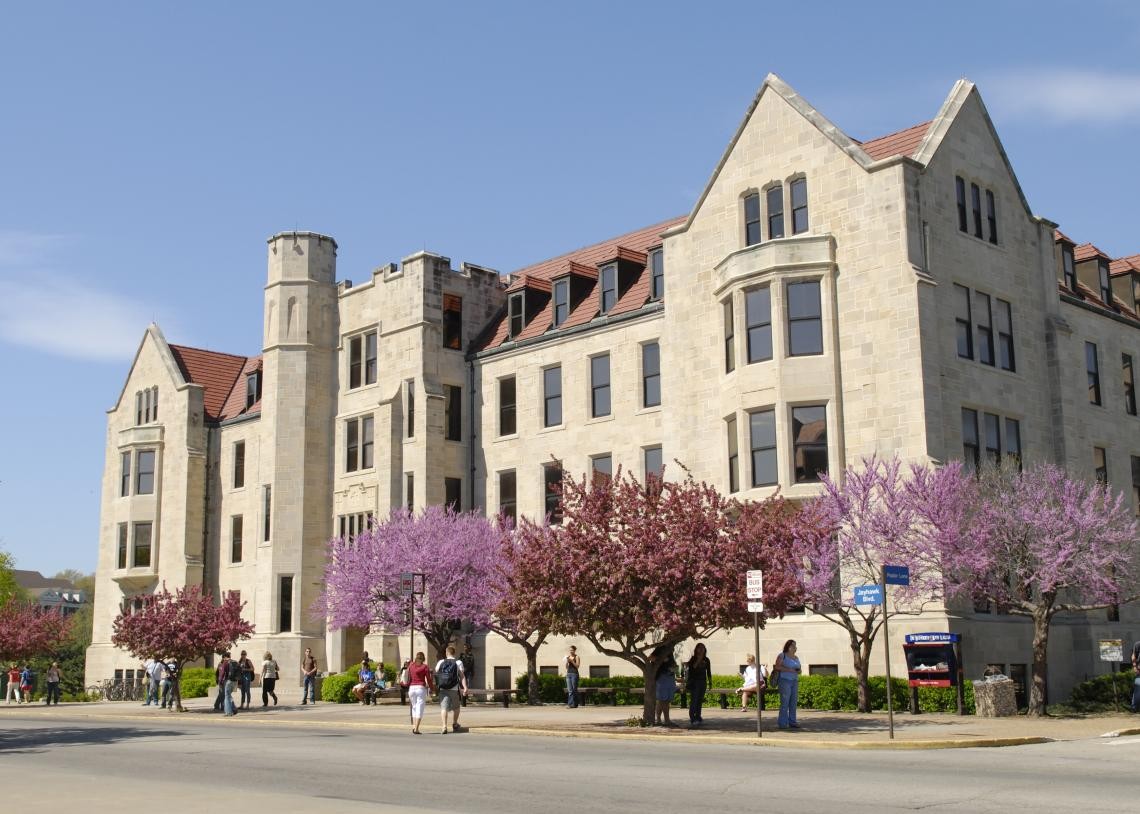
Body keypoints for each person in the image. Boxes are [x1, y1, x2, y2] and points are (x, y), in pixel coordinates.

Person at [434, 646, 467, 733]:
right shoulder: (458, 662)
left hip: (443, 688)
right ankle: (455, 723)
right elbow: (462, 676)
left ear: (446, 653)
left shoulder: (441, 662)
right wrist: (465, 687)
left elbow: (436, 671)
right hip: (454, 688)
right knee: (456, 707)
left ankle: (444, 726)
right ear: (454, 653)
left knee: (444, 708)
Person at [773, 639, 802, 730]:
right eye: (793, 645)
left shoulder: (796, 657)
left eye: (795, 645)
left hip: (794, 681)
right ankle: (782, 723)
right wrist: (789, 670)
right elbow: (777, 666)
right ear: (788, 647)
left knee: (793, 702)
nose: (795, 647)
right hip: (784, 680)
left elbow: (799, 669)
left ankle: (792, 722)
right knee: (785, 702)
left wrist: (799, 671)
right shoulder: (782, 655)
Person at [406, 651, 435, 735]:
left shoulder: (411, 666)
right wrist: (432, 688)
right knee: (420, 708)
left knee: (414, 707)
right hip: (420, 688)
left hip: (411, 688)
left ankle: (414, 726)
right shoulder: (424, 667)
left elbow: (409, 678)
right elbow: (428, 679)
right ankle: (417, 728)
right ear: (423, 658)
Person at [684, 643, 713, 728]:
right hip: (695, 682)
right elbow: (692, 669)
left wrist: (710, 682)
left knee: (700, 700)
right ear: (696, 649)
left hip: (703, 682)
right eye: (699, 648)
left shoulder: (707, 660)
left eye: (702, 648)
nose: (701, 650)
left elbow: (709, 672)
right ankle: (692, 718)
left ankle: (698, 716)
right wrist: (698, 660)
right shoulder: (693, 659)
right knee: (694, 700)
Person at [652, 647, 678, 727]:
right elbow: (651, 658)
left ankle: (659, 719)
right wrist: (662, 659)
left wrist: (674, 667)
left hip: (670, 676)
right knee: (663, 699)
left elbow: (672, 664)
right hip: (662, 677)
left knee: (664, 699)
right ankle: (667, 720)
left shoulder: (670, 651)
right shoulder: (660, 648)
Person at [222, 651, 241, 716]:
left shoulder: (225, 662)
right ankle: (234, 708)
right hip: (235, 681)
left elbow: (222, 673)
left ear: (224, 657)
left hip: (229, 681)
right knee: (229, 695)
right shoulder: (234, 662)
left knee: (226, 696)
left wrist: (220, 681)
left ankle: (229, 712)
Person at [1131, 639, 1140, 713]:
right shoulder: (1138, 644)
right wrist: (1134, 666)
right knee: (1138, 688)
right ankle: (1134, 707)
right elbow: (1134, 655)